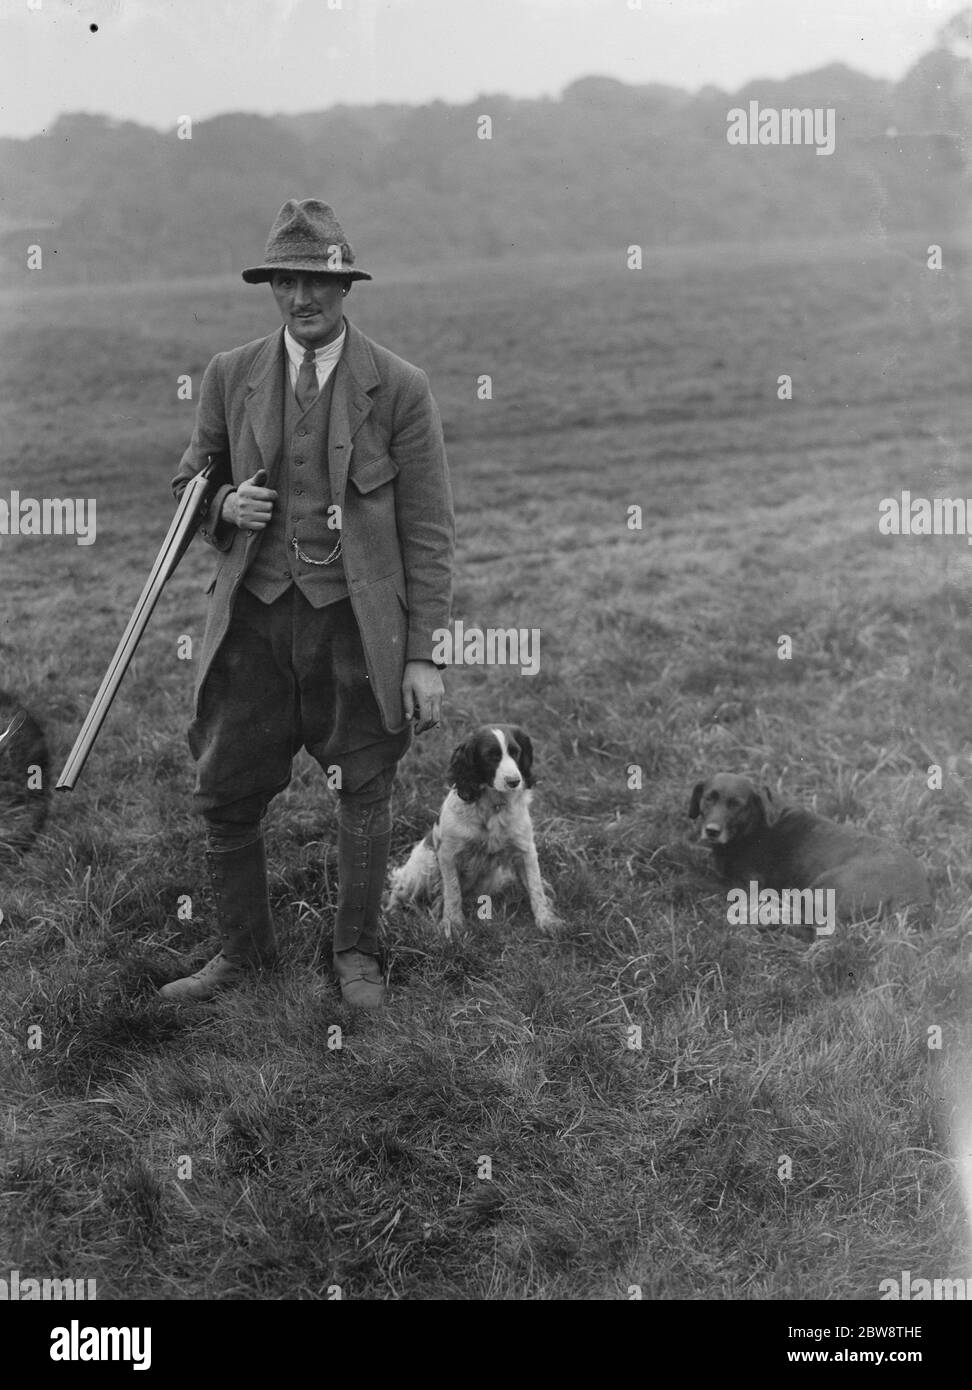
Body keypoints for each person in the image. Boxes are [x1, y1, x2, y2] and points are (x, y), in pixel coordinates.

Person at [161, 198, 454, 1010]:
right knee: (226, 786)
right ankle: (240, 958)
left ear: (346, 288)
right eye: (287, 282)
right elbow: (187, 484)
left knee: (364, 781)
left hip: (354, 624)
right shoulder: (230, 374)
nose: (304, 299)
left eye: (319, 283)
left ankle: (357, 955)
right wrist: (221, 506)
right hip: (252, 618)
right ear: (273, 288)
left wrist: (424, 651)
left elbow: (428, 529)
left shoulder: (398, 388)